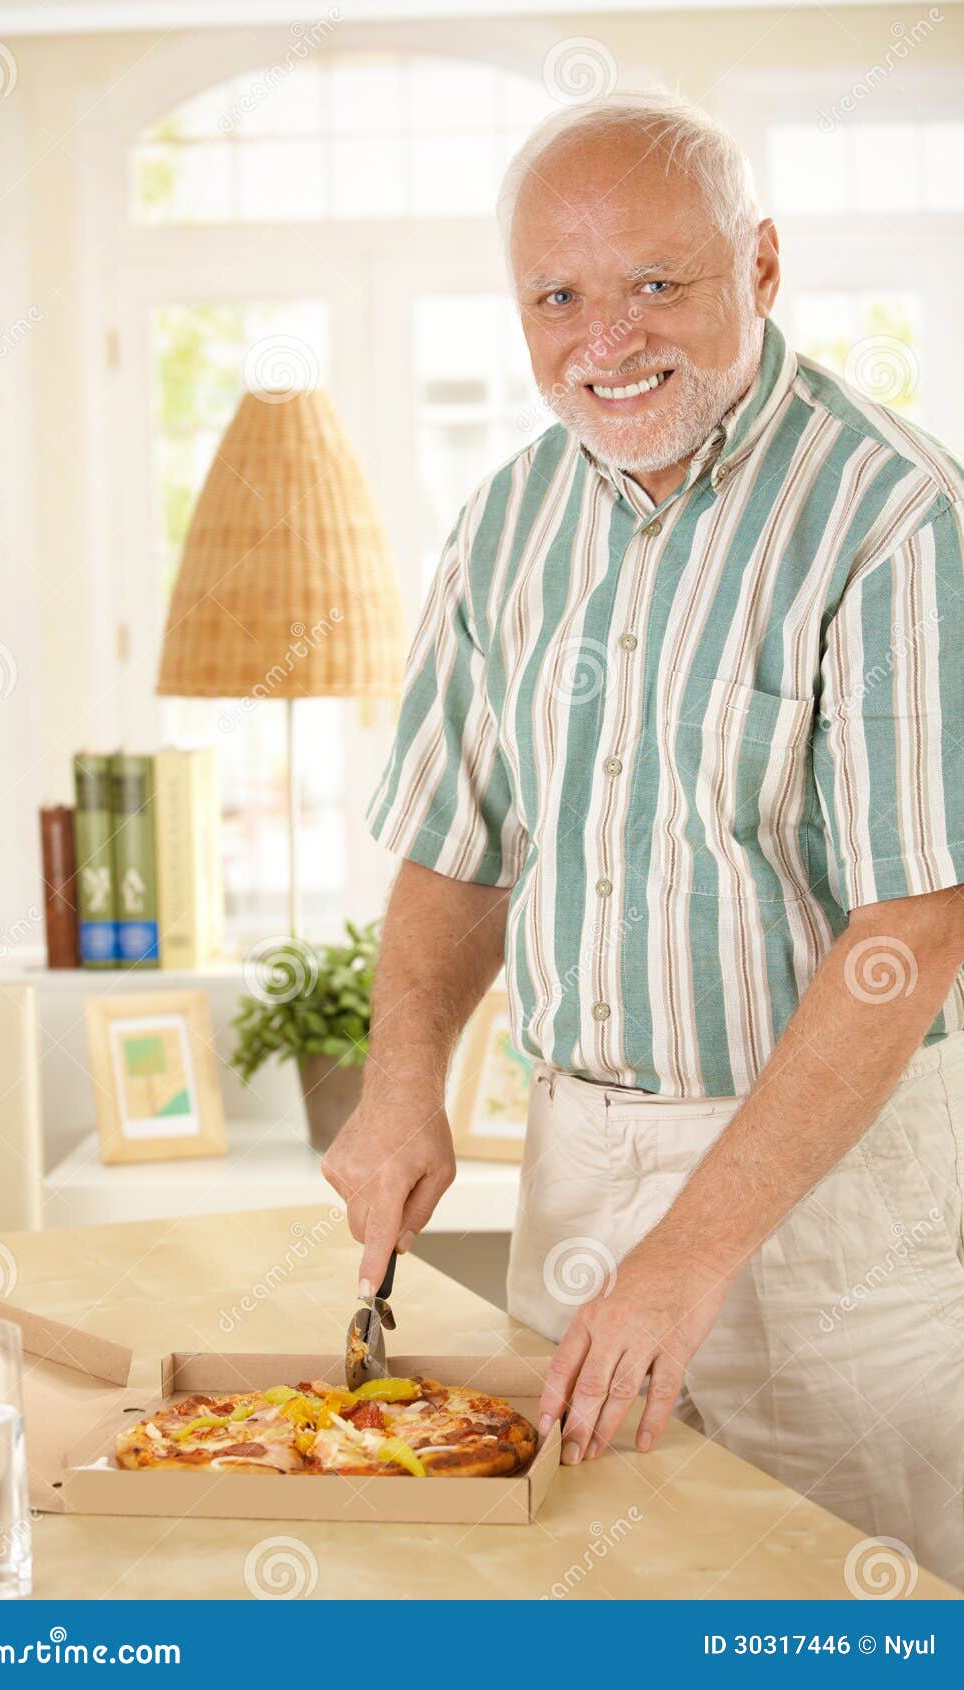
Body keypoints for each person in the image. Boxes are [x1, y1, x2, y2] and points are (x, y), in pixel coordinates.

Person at [322, 90, 964, 1585]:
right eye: (558, 294)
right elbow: (452, 843)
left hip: (830, 1202)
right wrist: (404, 1081)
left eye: (656, 283)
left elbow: (914, 932)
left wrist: (684, 1260)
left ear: (763, 268)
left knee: (843, 1618)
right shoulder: (507, 523)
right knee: (597, 1602)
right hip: (573, 1154)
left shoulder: (895, 517)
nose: (603, 337)